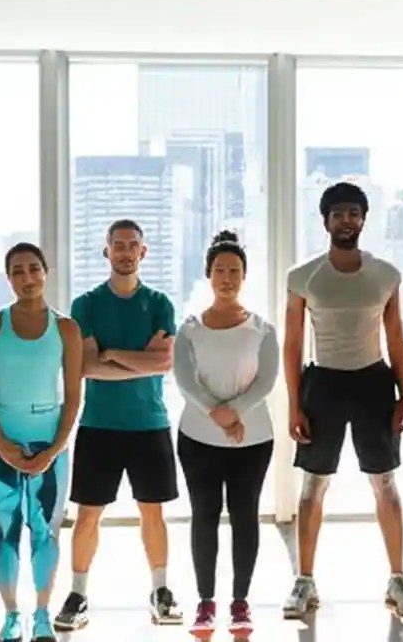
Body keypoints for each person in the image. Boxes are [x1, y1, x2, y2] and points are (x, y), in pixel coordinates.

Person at [281, 182, 403, 618]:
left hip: (373, 383)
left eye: (354, 213)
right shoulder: (303, 276)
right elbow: (292, 343)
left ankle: (398, 581)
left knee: (385, 483)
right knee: (312, 486)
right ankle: (303, 582)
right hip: (322, 383)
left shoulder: (384, 275)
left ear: (364, 219)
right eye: (339, 213)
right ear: (325, 220)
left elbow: (396, 336)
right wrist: (293, 404)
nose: (347, 220)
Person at [54, 220, 182, 631]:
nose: (125, 252)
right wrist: (135, 362)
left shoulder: (160, 303)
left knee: (153, 514)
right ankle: (77, 594)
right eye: (118, 245)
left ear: (143, 252)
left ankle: (161, 591)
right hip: (99, 425)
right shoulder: (86, 305)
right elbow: (86, 367)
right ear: (106, 251)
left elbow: (164, 362)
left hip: (150, 425)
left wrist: (111, 354)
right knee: (87, 516)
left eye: (133, 246)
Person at [0, 243, 83, 642]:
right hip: (0, 441)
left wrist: (54, 449)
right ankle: (10, 615)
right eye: (17, 271)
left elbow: (73, 396)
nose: (27, 278)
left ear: (46, 272)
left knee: (46, 531)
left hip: (49, 442)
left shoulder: (66, 328)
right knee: (6, 530)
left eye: (34, 269)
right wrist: (0, 443)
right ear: (8, 278)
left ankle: (41, 613)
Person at [172, 231, 279, 636]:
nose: (227, 277)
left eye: (234, 270)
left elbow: (266, 381)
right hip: (198, 438)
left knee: (245, 515)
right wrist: (216, 414)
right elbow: (184, 381)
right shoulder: (190, 329)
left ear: (244, 275)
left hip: (251, 439)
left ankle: (240, 601)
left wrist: (233, 413)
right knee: (204, 516)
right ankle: (204, 602)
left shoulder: (262, 329)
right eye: (219, 270)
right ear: (208, 275)